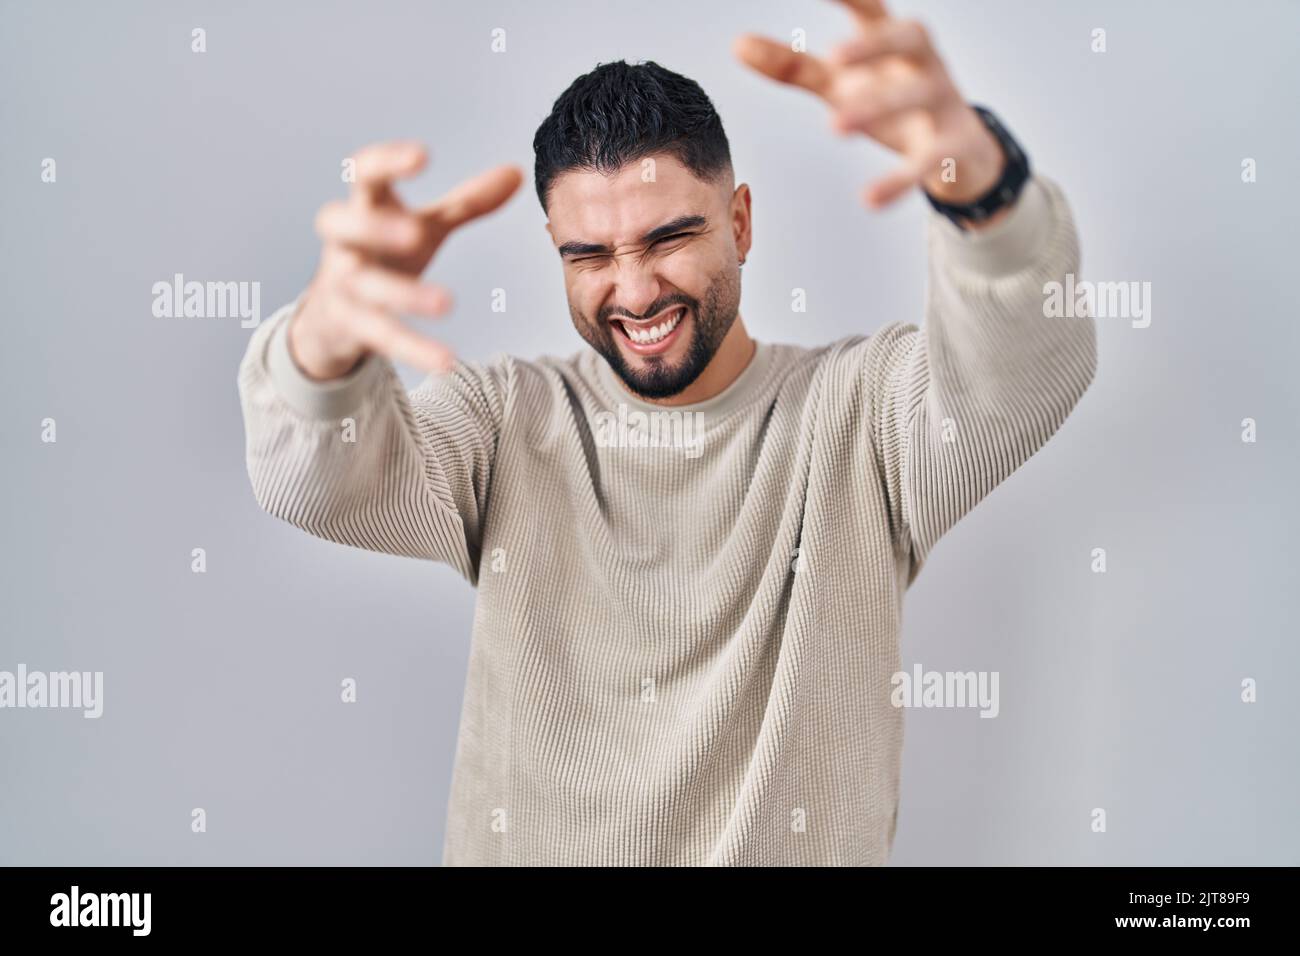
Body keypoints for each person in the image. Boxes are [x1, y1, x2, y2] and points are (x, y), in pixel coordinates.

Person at [237, 0, 1097, 865]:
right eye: (590, 255)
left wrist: (983, 191)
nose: (636, 290)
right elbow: (316, 481)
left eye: (671, 236)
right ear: (555, 252)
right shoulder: (505, 420)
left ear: (742, 223)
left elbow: (1022, 370)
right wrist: (323, 347)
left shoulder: (861, 415)